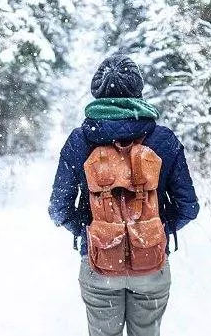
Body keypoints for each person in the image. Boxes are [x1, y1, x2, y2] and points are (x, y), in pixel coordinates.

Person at [48, 54, 199, 336]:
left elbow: (58, 208)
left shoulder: (79, 141)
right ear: (139, 90)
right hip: (151, 261)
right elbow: (188, 207)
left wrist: (90, 230)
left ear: (97, 92)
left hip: (99, 262)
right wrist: (156, 229)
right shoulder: (163, 140)